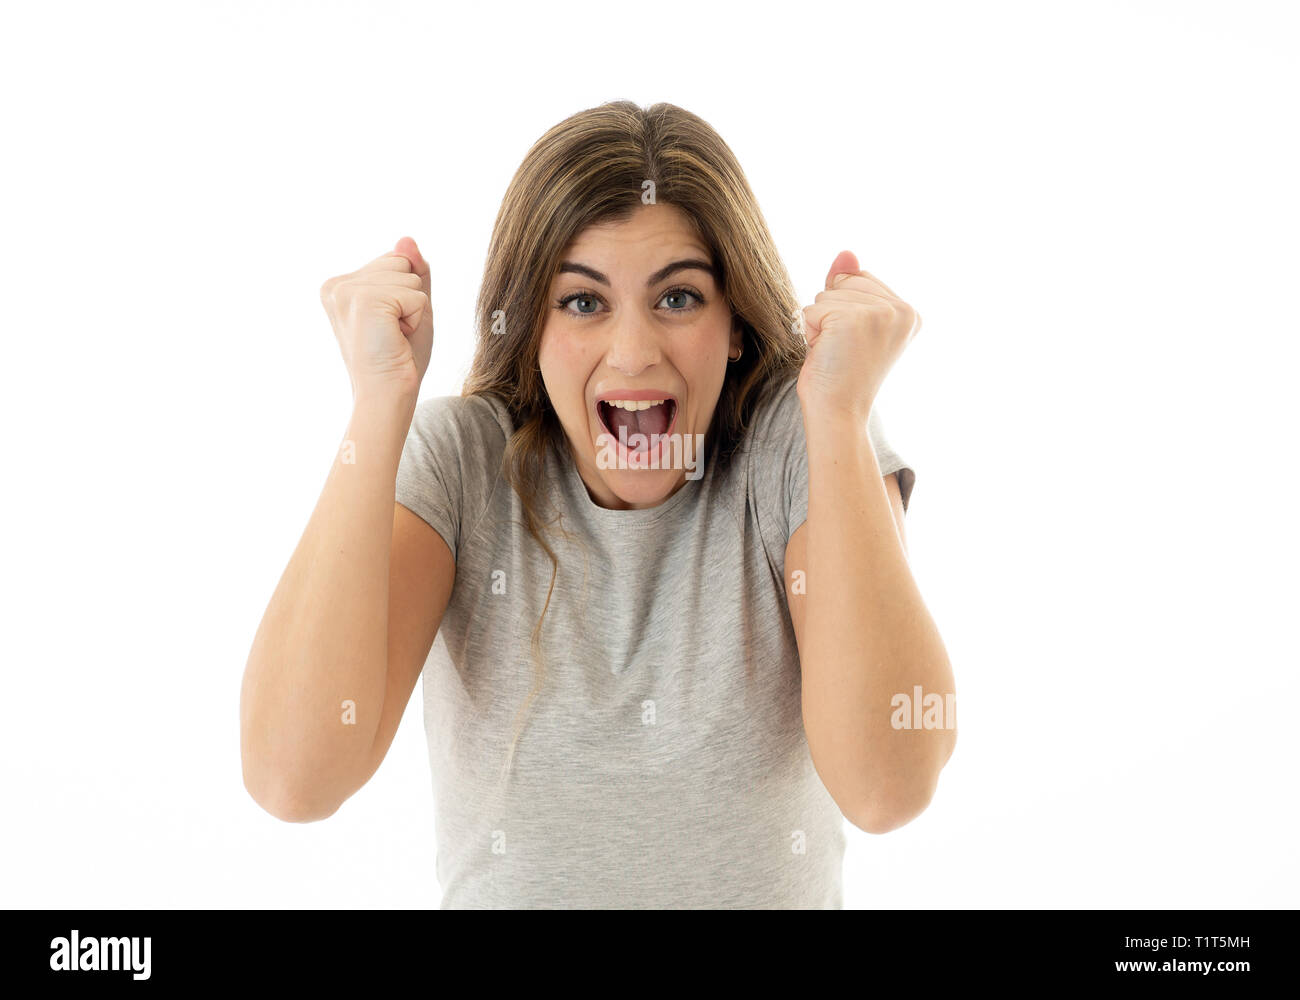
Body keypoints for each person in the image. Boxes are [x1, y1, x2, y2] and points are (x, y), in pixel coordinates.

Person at [240, 100, 957, 908]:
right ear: (530, 327)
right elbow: (290, 777)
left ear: (733, 322)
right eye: (583, 301)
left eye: (678, 298)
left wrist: (837, 413)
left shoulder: (799, 445)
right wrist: (378, 400)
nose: (633, 351)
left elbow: (889, 786)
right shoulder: (461, 466)